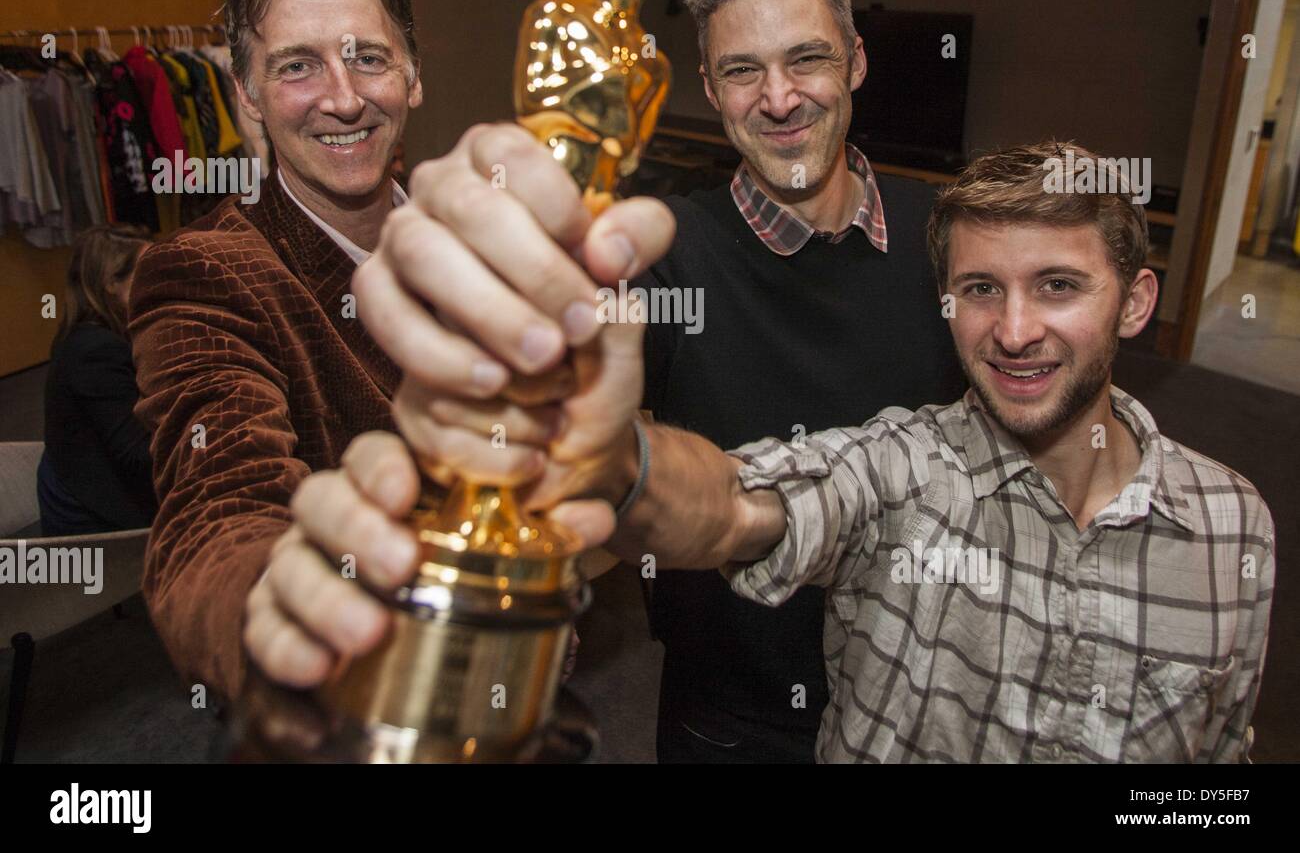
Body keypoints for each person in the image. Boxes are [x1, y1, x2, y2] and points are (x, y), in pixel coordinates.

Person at [303, 140, 1274, 762]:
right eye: (980, 290)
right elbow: (731, 504)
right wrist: (605, 454)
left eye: (1057, 286)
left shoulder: (1234, 527)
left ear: (1136, 303)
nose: (1012, 330)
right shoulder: (906, 468)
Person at [245, 0, 965, 763]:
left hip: (930, 685)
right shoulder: (653, 252)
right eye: (741, 70)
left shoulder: (949, 237)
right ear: (708, 88)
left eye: (807, 59)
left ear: (856, 63)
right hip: (727, 710)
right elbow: (554, 425)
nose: (779, 97)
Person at [127, 0, 441, 701]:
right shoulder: (206, 274)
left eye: (369, 57)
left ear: (413, 75)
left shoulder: (473, 238)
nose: (342, 97)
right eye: (297, 65)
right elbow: (217, 511)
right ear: (247, 97)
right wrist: (292, 617)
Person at [39, 224, 156, 537]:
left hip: (86, 492)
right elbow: (138, 455)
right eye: (146, 273)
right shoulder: (95, 350)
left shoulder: (80, 337)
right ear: (111, 283)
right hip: (100, 528)